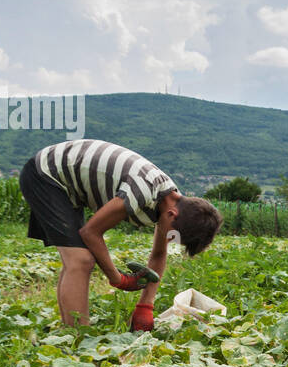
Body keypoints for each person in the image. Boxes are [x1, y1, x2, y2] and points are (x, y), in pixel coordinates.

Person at [18, 139, 221, 330]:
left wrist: (145, 306)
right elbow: (90, 232)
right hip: (46, 174)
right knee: (80, 260)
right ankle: (77, 339)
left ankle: (70, 331)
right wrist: (118, 279)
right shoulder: (141, 191)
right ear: (172, 215)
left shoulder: (171, 202)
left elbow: (159, 255)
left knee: (77, 260)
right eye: (173, 235)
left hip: (68, 185)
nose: (169, 239)